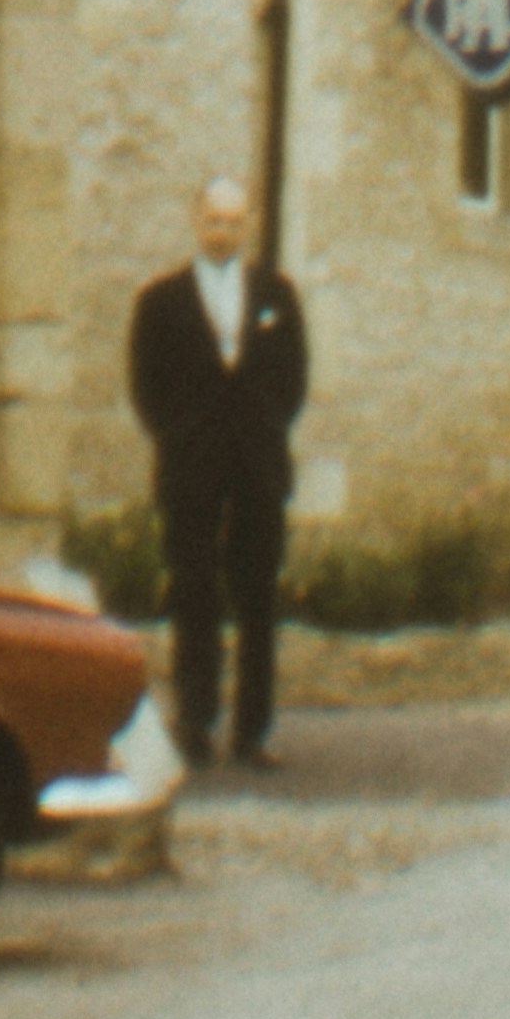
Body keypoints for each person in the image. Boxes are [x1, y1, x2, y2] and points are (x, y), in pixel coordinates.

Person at [126, 178, 307, 770]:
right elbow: (145, 386)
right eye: (211, 219)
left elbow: (293, 379)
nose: (221, 231)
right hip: (191, 467)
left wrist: (264, 427)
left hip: (258, 464)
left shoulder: (277, 295)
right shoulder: (161, 300)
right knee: (193, 591)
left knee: (258, 598)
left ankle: (253, 732)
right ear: (194, 220)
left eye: (232, 220)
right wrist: (179, 437)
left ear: (248, 223)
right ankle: (195, 722)